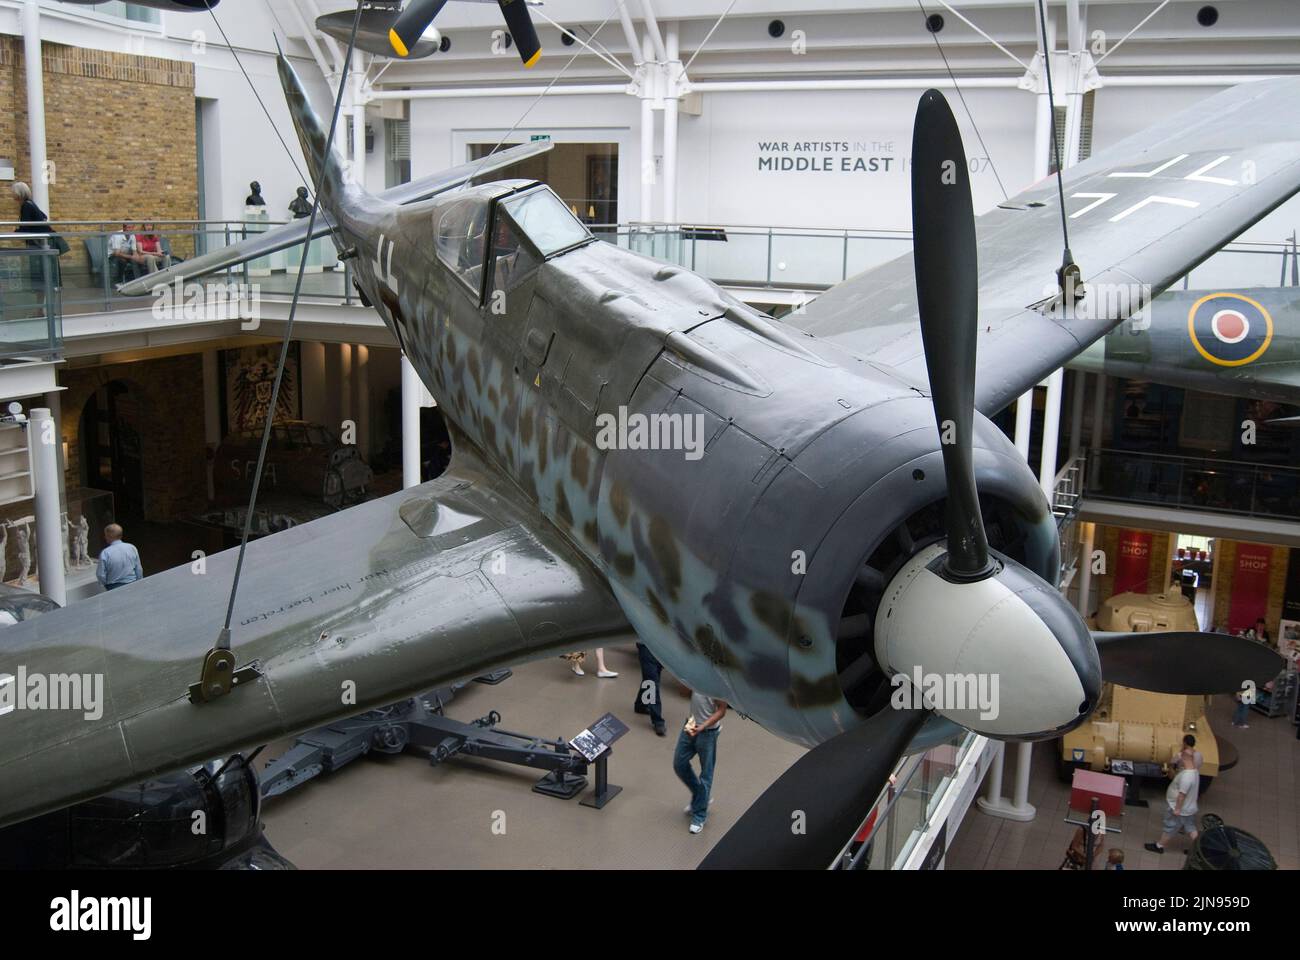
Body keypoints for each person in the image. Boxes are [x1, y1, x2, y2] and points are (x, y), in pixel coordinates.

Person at [674, 689, 727, 835]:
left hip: (707, 732)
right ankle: (701, 797)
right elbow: (684, 693)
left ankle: (699, 816)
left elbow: (722, 710)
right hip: (691, 724)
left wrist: (703, 726)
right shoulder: (696, 677)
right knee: (679, 764)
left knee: (706, 773)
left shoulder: (716, 683)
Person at [1145, 750, 1200, 854]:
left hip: (1181, 809)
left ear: (1184, 759)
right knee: (1190, 827)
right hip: (1190, 808)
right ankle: (1199, 849)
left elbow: (1181, 795)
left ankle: (1159, 846)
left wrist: (1177, 809)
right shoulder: (1195, 771)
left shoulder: (1187, 777)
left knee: (1170, 826)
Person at [13, 182, 59, 291]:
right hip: (44, 242)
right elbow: (44, 216)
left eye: (13, 193)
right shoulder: (31, 203)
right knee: (44, 276)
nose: (12, 195)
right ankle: (41, 307)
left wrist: (15, 231)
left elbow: (25, 228)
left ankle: (41, 307)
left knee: (40, 277)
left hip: (39, 244)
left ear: (19, 194)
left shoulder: (26, 206)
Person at [96, 523, 144, 591]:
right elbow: (138, 569)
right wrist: (140, 582)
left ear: (109, 536)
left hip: (113, 587)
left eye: (105, 535)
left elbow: (100, 575)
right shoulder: (132, 547)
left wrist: (105, 584)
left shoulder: (105, 553)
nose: (104, 537)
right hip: (133, 584)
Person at [632, 642, 666, 736]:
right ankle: (657, 720)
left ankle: (640, 705)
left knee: (650, 678)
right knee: (652, 682)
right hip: (647, 645)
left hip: (659, 645)